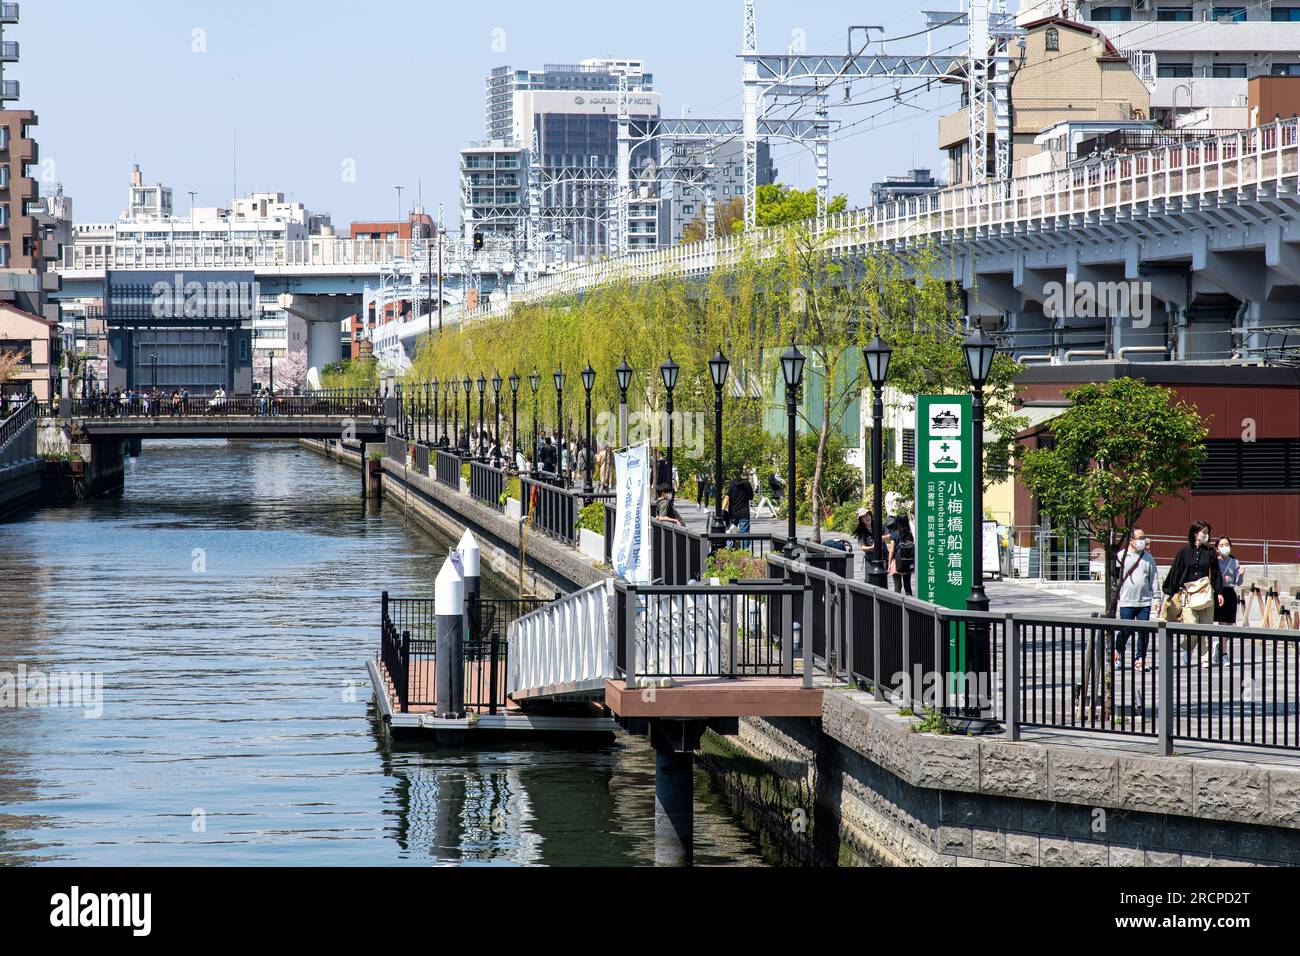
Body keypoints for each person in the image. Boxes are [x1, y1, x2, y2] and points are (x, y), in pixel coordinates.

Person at [1162, 520, 1224, 664]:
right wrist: (1171, 592)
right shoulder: (1184, 551)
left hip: (1206, 594)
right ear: (1195, 533)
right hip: (1187, 594)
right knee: (1192, 626)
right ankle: (1187, 648)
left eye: (1208, 533)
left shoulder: (1210, 553)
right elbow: (1176, 571)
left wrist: (1219, 592)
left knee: (1207, 627)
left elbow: (1215, 573)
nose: (1206, 535)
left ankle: (1205, 657)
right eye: (1204, 532)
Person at [1114, 529, 1161, 669]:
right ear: (1131, 540)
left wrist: (1157, 599)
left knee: (1143, 632)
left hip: (1144, 601)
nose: (1143, 540)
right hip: (1127, 600)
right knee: (1125, 630)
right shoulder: (1121, 556)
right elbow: (1115, 578)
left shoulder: (1148, 558)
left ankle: (1140, 659)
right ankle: (1118, 652)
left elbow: (1154, 579)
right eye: (1140, 538)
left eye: (1144, 537)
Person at [1214, 535, 1243, 663]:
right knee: (1222, 625)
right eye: (1221, 545)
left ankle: (1219, 647)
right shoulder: (1214, 561)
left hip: (1230, 593)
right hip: (1220, 593)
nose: (1225, 547)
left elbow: (1238, 582)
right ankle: (1224, 654)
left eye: (1227, 545)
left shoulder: (1234, 561)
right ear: (1216, 548)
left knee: (1230, 626)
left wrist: (1241, 574)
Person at [887, 514, 915, 595]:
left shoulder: (894, 534)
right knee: (908, 586)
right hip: (908, 562)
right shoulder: (910, 534)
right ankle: (910, 605)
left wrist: (889, 564)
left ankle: (897, 606)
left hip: (897, 562)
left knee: (897, 587)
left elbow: (892, 551)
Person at [851, 507, 877, 581]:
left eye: (868, 515)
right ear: (861, 520)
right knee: (868, 580)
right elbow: (863, 547)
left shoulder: (878, 525)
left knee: (881, 579)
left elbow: (889, 535)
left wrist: (882, 538)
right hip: (870, 558)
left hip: (882, 557)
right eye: (864, 517)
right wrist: (871, 547)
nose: (867, 518)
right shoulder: (861, 531)